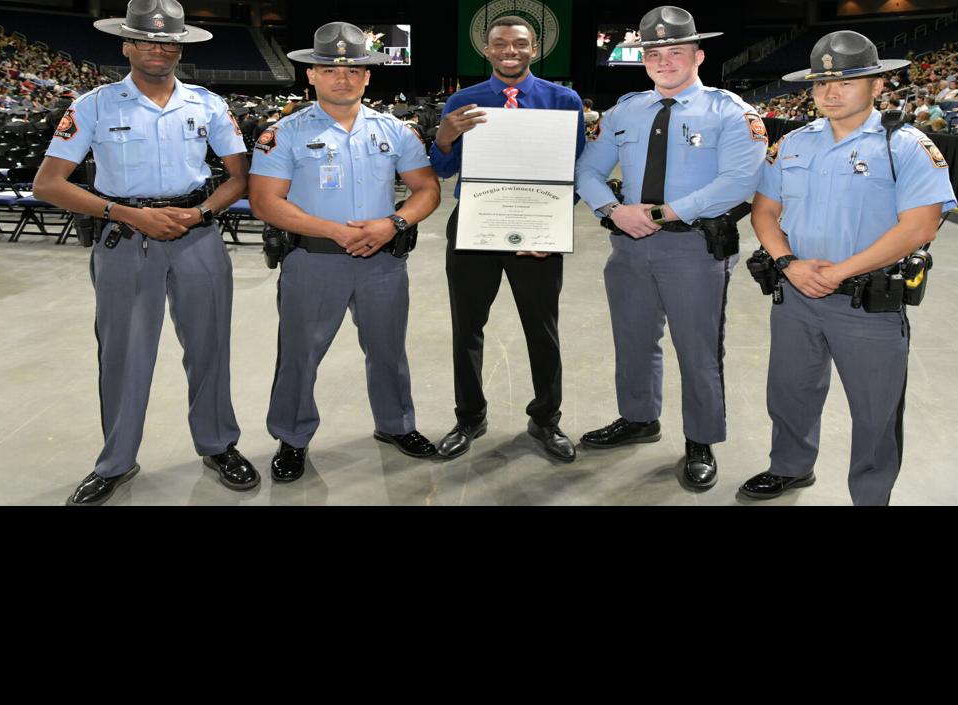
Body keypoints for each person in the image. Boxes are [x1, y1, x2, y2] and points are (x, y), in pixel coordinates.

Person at [32, 0, 254, 505]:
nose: (159, 48)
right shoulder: (93, 105)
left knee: (209, 348)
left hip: (196, 234)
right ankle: (115, 461)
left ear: (180, 47)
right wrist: (129, 214)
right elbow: (48, 184)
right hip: (126, 237)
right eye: (148, 40)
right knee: (124, 356)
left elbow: (240, 176)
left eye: (169, 41)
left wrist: (200, 214)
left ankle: (219, 445)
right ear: (127, 45)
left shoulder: (208, 104)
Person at [743, 30, 955, 506]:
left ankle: (871, 496)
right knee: (790, 393)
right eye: (821, 84)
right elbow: (764, 212)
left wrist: (838, 273)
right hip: (796, 295)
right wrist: (788, 263)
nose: (830, 92)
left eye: (847, 81)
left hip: (867, 306)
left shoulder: (906, 146)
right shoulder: (793, 143)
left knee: (875, 412)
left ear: (877, 85)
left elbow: (919, 226)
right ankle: (790, 468)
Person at [572, 5, 765, 491]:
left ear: (697, 55)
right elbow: (587, 171)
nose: (663, 60)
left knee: (699, 350)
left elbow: (739, 181)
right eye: (654, 53)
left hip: (694, 250)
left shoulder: (731, 112)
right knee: (633, 339)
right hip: (631, 247)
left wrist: (662, 213)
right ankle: (639, 418)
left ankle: (700, 440)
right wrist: (612, 211)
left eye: (675, 51)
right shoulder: (625, 111)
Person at [248, 22, 442, 482]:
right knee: (299, 354)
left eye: (353, 69)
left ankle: (396, 425)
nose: (343, 77)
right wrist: (335, 232)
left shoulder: (395, 130)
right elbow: (264, 201)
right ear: (310, 74)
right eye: (329, 68)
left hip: (382, 261)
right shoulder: (285, 133)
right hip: (313, 261)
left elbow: (426, 189)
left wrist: (393, 223)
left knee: (388, 350)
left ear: (368, 77)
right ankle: (292, 437)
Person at [427, 15, 586, 463]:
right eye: (500, 44)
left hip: (536, 227)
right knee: (467, 327)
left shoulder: (563, 99)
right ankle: (470, 416)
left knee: (542, 328)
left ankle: (545, 418)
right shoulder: (463, 100)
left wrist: (548, 228)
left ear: (535, 49)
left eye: (519, 44)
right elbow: (442, 171)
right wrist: (444, 136)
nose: (509, 51)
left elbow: (571, 171)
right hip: (476, 222)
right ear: (487, 48)